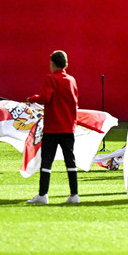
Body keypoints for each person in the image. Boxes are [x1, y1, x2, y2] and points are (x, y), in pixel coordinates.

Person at [25, 50, 80, 205]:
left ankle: (43, 195)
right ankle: (74, 194)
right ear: (66, 64)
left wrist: (32, 98)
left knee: (47, 161)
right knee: (70, 161)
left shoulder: (50, 78)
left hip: (52, 127)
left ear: (53, 64)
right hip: (68, 127)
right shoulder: (72, 80)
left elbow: (45, 98)